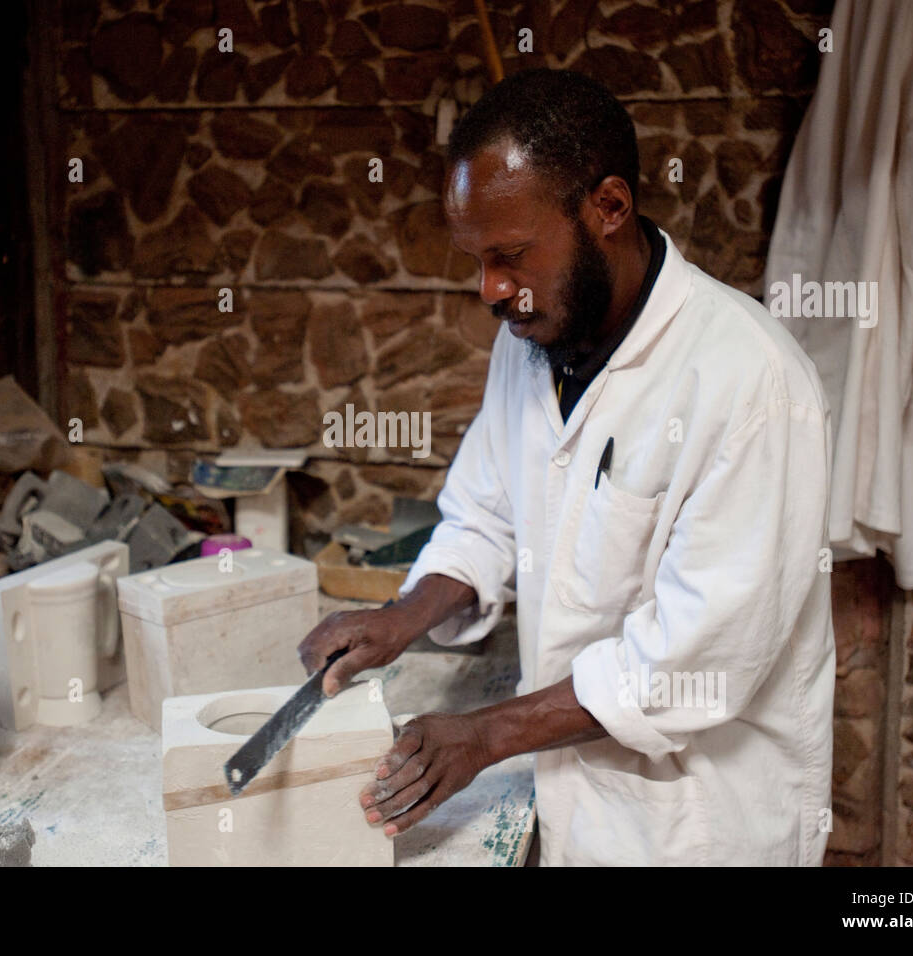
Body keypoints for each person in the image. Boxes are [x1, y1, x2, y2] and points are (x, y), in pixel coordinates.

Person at [298, 68, 837, 866]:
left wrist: (487, 733)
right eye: (478, 261)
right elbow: (485, 516)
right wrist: (402, 617)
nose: (490, 289)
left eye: (510, 255)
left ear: (609, 208)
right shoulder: (532, 344)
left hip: (698, 825)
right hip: (575, 802)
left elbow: (694, 661)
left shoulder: (749, 380)